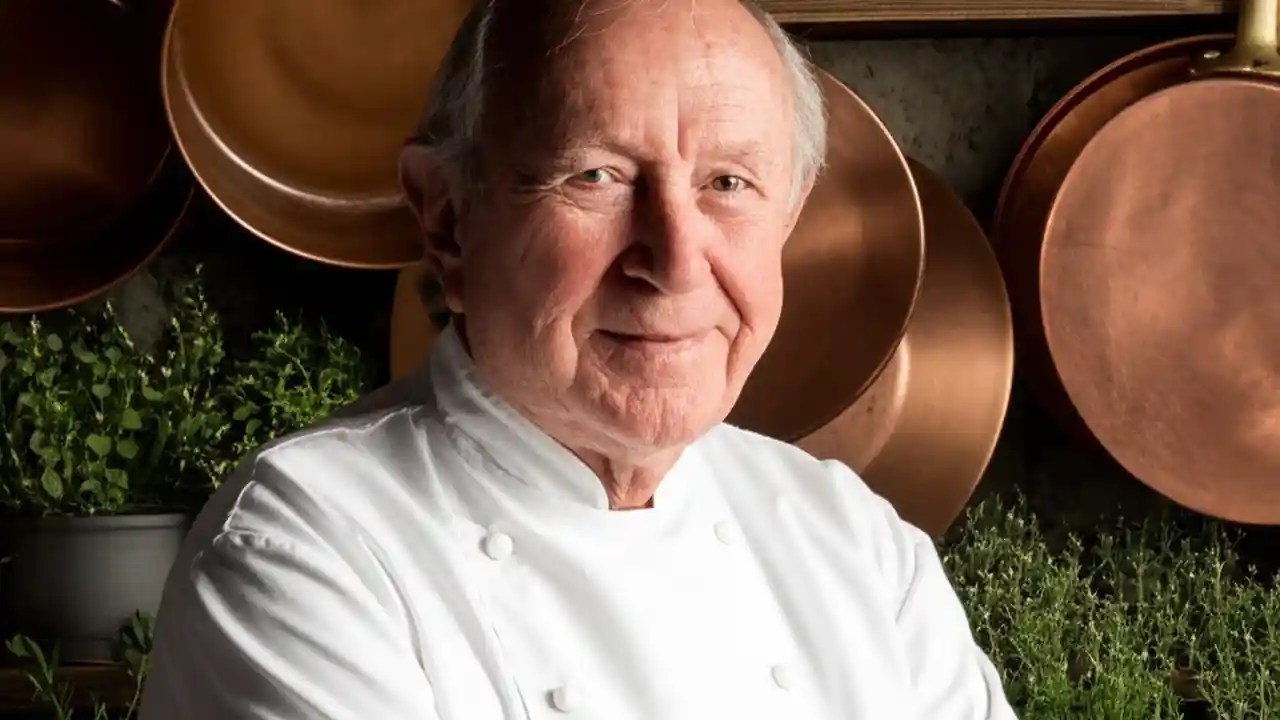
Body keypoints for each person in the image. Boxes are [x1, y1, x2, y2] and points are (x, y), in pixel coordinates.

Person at [139, 0, 1018, 717]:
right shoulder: (305, 548)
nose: (674, 260)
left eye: (729, 184)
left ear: (785, 225)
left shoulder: (855, 546)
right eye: (595, 177)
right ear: (447, 219)